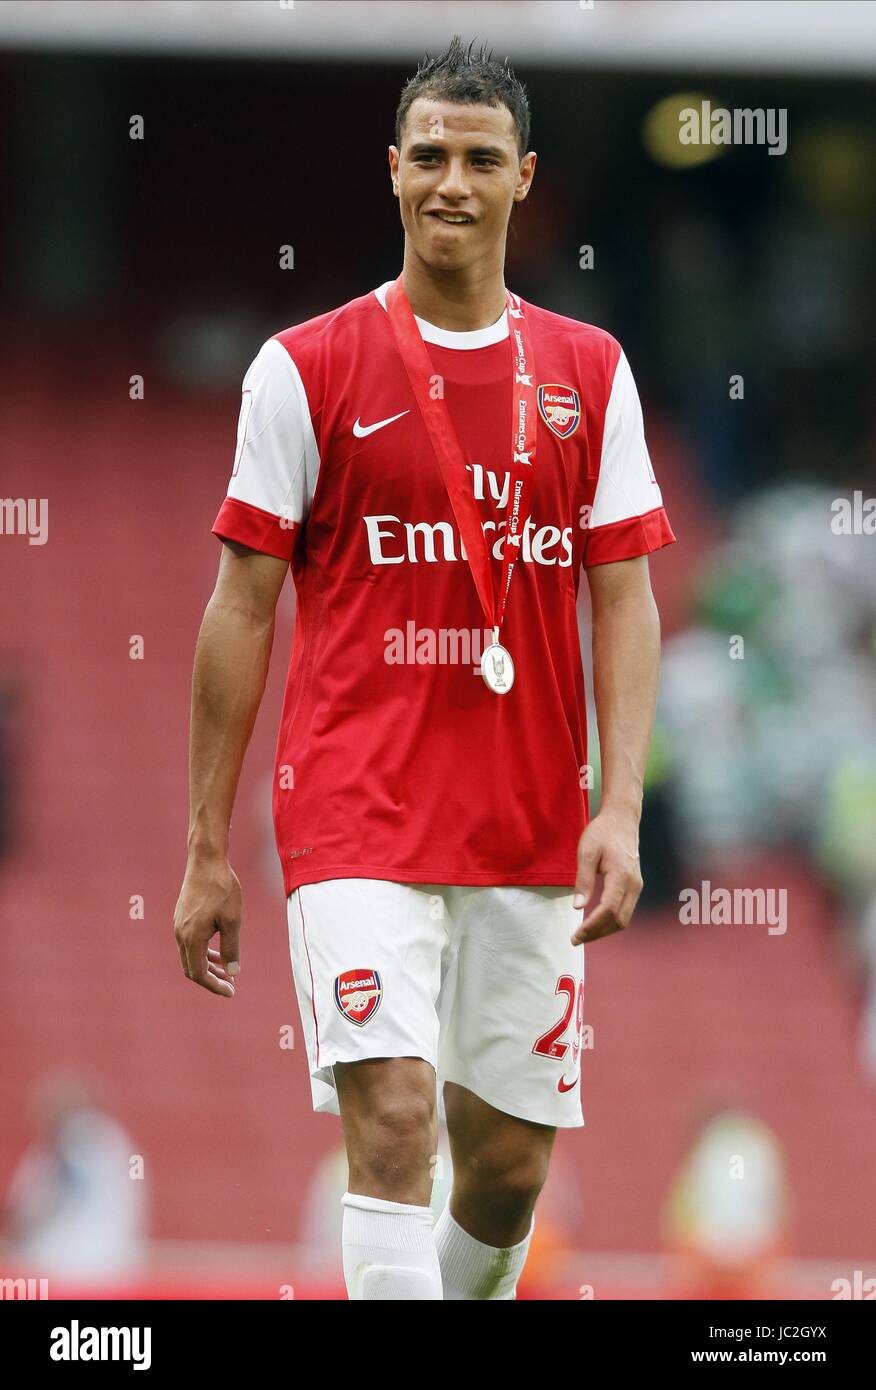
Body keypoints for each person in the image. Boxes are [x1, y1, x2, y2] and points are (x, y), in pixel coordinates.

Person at [174, 36, 675, 1301]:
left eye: (482, 159)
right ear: (392, 172)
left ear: (526, 180)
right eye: (431, 156)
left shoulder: (590, 373)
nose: (453, 181)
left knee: (504, 1172)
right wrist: (205, 844)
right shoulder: (305, 368)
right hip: (358, 811)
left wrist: (619, 805)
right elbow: (241, 607)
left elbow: (622, 596)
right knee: (397, 1122)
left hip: (526, 823)